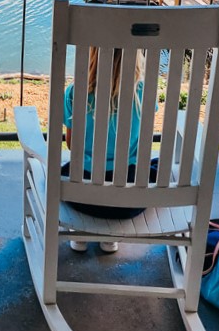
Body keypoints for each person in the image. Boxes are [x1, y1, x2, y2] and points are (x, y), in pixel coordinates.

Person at [63, 47, 157, 254]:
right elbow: (144, 144)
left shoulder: (75, 93)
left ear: (93, 55)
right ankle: (110, 237)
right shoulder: (145, 92)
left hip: (81, 197)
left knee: (66, 172)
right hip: (128, 202)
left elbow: (72, 145)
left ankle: (79, 234)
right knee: (151, 168)